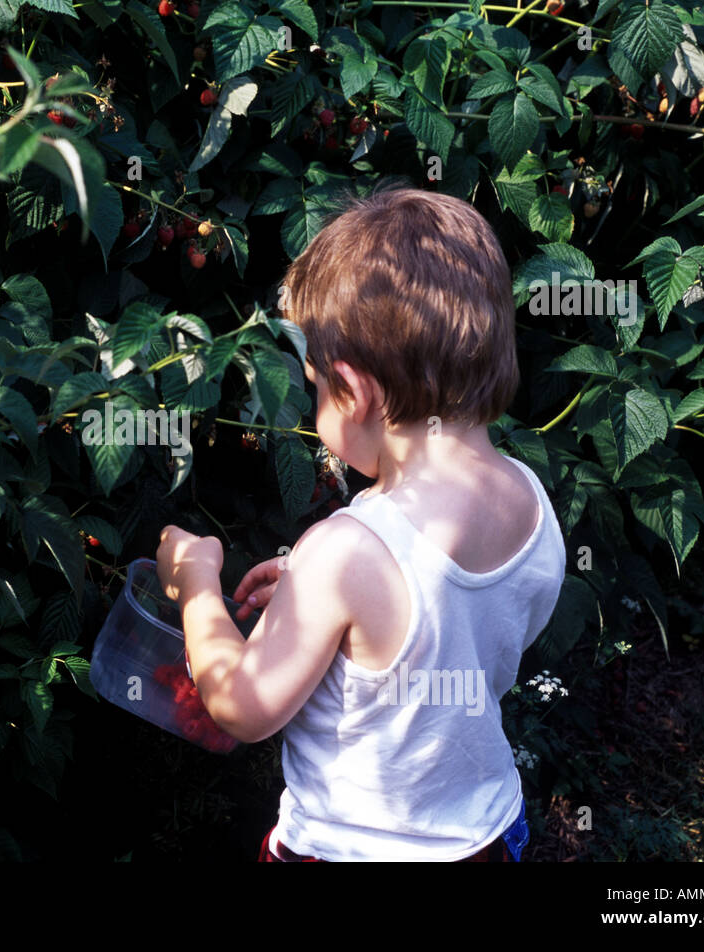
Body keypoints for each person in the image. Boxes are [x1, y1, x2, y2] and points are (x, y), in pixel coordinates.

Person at [155, 183, 566, 861]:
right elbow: (465, 619)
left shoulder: (345, 553)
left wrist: (197, 582)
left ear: (356, 391)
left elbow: (240, 705)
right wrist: (330, 605)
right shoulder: (527, 497)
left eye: (317, 387)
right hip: (487, 834)